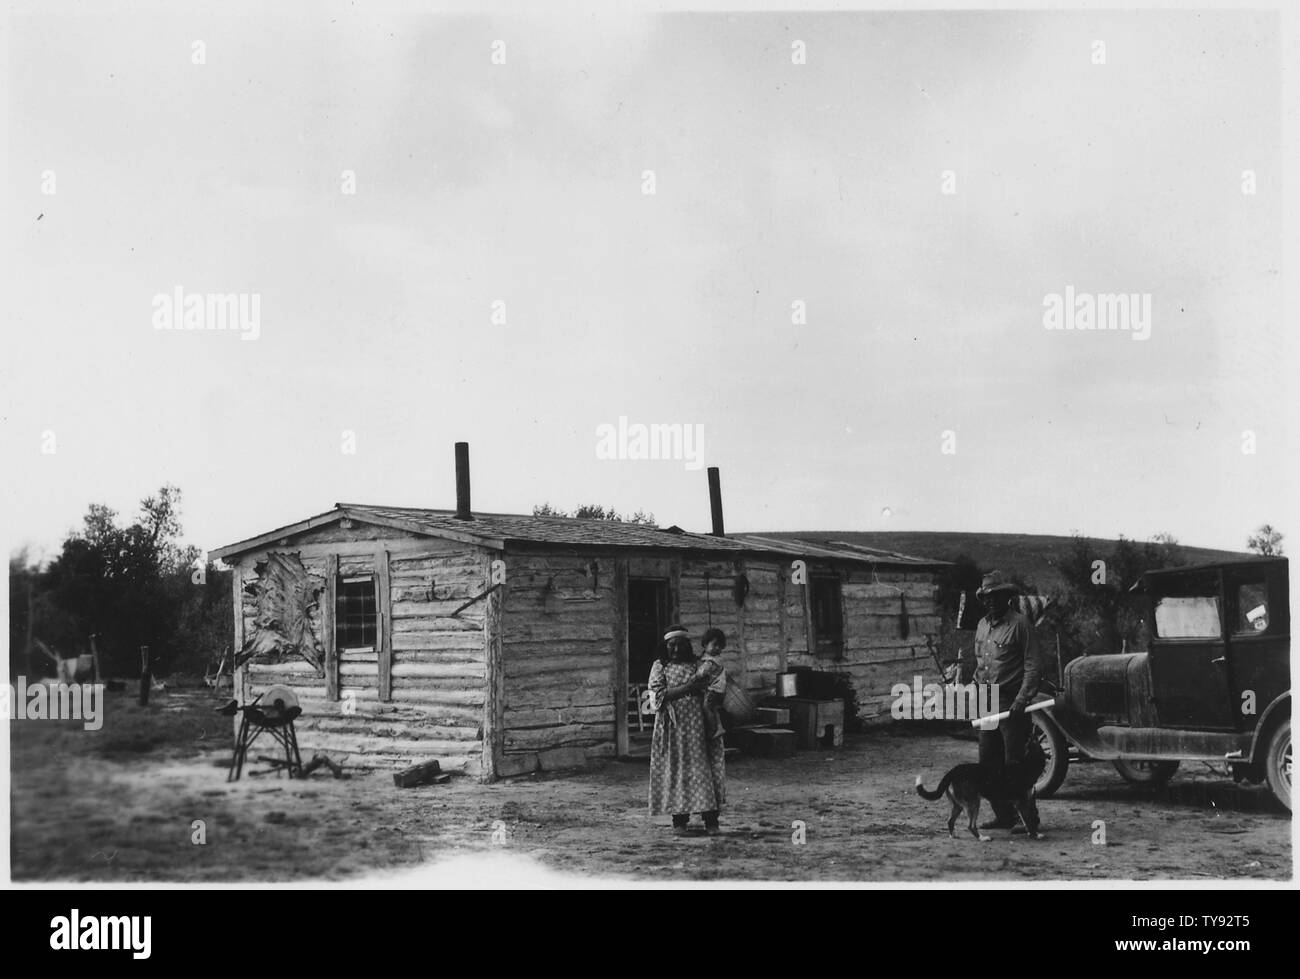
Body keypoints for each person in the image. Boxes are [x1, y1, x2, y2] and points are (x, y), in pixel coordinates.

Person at [959, 571, 1043, 833]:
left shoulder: (1020, 625)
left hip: (1011, 704)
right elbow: (980, 665)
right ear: (983, 600)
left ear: (1007, 597)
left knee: (1015, 766)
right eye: (987, 597)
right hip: (988, 702)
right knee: (988, 764)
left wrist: (1022, 699)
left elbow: (1033, 666)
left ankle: (1028, 819)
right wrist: (972, 690)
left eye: (997, 596)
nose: (992, 601)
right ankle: (1004, 815)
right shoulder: (983, 626)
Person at [648, 624, 727, 834]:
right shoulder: (660, 666)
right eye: (671, 646)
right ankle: (680, 821)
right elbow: (656, 696)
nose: (675, 650)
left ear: (687, 646)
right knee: (677, 772)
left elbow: (714, 683)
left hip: (696, 726)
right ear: (665, 647)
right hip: (672, 728)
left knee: (702, 771)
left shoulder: (698, 664)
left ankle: (711, 821)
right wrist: (688, 689)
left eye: (679, 646)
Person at [698, 628, 729, 741]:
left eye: (720, 646)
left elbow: (702, 672)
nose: (717, 648)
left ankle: (713, 729)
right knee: (713, 708)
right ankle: (719, 727)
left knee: (706, 707)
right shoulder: (711, 658)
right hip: (719, 689)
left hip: (714, 689)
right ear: (705, 644)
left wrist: (695, 676)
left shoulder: (712, 661)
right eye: (715, 645)